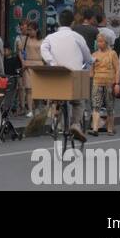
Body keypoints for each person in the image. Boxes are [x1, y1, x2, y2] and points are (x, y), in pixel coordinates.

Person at [40, 9, 94, 142]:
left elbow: (43, 49)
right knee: (78, 101)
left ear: (59, 22)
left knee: (57, 98)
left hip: (57, 75)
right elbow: (87, 56)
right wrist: (91, 61)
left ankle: (56, 119)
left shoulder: (50, 37)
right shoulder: (77, 37)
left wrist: (52, 62)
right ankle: (75, 124)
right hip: (73, 75)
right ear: (73, 22)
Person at [90, 33, 120, 136]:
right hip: (97, 82)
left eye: (101, 41)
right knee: (96, 105)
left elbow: (117, 69)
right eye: (98, 41)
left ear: (106, 42)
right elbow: (91, 72)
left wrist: (117, 83)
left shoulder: (112, 53)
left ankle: (110, 128)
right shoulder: (94, 55)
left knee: (109, 106)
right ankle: (95, 128)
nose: (99, 44)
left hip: (109, 83)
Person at [16, 20, 44, 118]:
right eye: (28, 30)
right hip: (27, 65)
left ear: (36, 30)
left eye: (31, 30)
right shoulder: (25, 39)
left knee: (37, 88)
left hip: (38, 65)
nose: (29, 32)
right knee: (28, 89)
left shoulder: (42, 40)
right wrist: (22, 61)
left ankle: (37, 107)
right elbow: (19, 50)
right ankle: (30, 109)